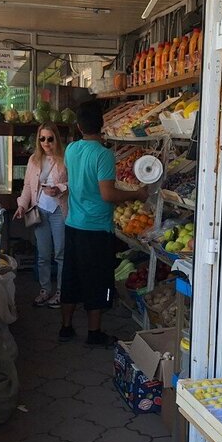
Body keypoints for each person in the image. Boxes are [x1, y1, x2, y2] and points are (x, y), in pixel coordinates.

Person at [59, 101, 147, 346]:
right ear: (103, 124)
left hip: (74, 223)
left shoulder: (71, 150)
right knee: (97, 279)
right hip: (96, 227)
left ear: (78, 126)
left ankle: (65, 327)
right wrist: (136, 194)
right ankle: (94, 332)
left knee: (71, 275)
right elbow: (108, 194)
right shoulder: (103, 154)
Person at [15, 122, 68, 308]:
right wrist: (22, 205)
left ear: (56, 139)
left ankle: (62, 292)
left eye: (50, 138)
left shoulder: (65, 158)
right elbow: (28, 186)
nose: (46, 142)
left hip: (59, 212)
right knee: (43, 254)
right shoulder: (34, 160)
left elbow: (73, 184)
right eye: (42, 138)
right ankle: (45, 290)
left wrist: (59, 189)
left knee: (61, 253)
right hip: (40, 211)